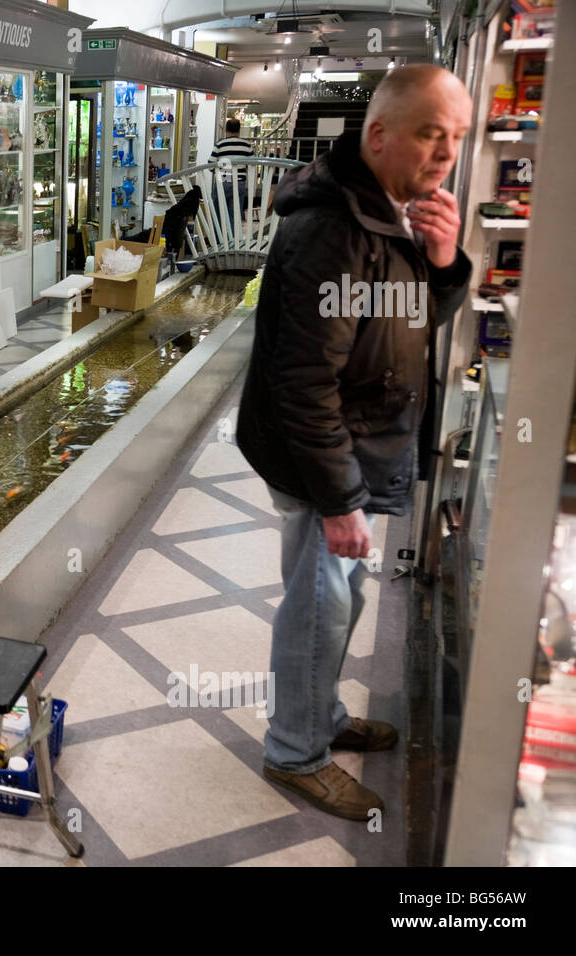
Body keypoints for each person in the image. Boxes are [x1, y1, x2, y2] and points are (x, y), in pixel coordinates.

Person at [235, 65, 472, 821]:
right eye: (432, 135)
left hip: (358, 452)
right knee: (318, 606)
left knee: (338, 598)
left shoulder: (393, 210)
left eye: (457, 138)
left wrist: (444, 265)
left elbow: (408, 322)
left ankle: (322, 718)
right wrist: (339, 500)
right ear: (378, 136)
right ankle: (295, 752)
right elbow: (302, 385)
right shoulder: (331, 231)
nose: (446, 155)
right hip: (324, 462)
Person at [209, 118, 254, 220]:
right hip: (239, 183)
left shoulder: (220, 144)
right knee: (234, 216)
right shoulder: (246, 145)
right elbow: (252, 165)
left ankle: (218, 236)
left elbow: (211, 164)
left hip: (223, 181)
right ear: (239, 130)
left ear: (226, 130)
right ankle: (233, 236)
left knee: (218, 215)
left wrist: (218, 172)